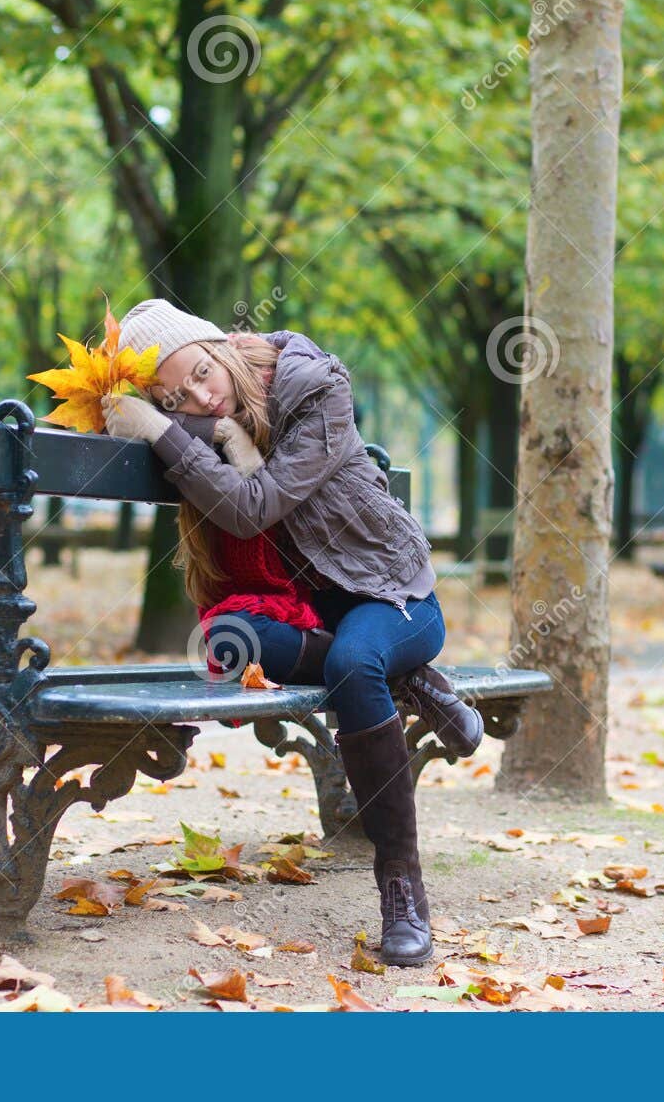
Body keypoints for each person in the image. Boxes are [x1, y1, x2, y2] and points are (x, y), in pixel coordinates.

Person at [96, 298, 481, 966]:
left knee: (355, 664)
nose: (200, 397)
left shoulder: (313, 386)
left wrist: (160, 427)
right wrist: (208, 435)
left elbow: (254, 509)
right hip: (312, 611)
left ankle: (402, 888)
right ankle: (414, 682)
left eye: (201, 374)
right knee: (230, 637)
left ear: (217, 344)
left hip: (394, 594)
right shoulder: (219, 417)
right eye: (174, 396)